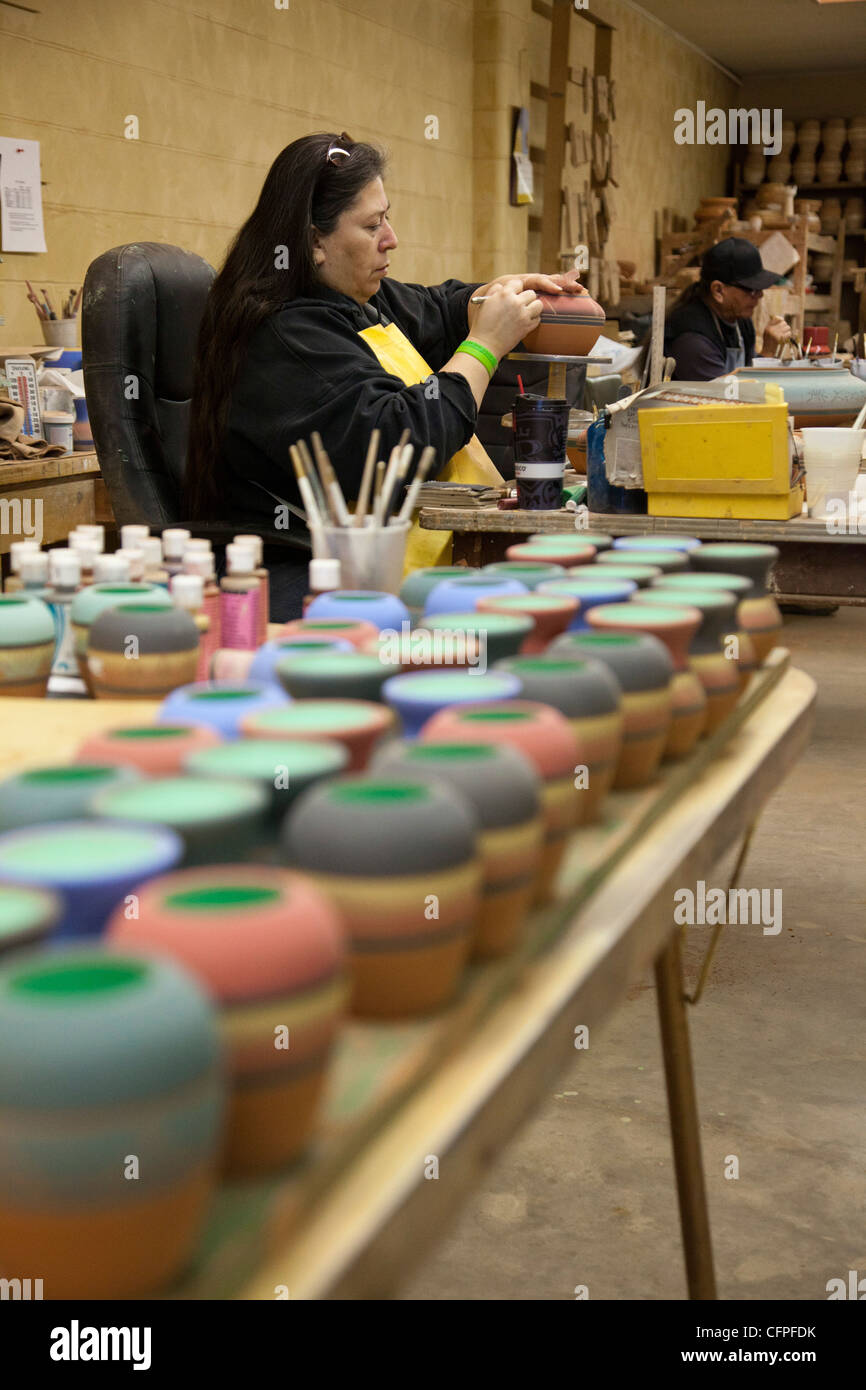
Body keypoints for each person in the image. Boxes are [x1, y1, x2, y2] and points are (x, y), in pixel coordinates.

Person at [186, 131, 583, 618]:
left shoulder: (356, 298)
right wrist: (484, 346)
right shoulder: (285, 333)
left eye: (387, 217)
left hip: (377, 554)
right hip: (306, 567)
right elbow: (401, 437)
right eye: (373, 225)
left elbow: (437, 308)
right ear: (314, 243)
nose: (391, 238)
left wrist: (495, 294)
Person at [664, 238, 793, 382]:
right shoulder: (692, 340)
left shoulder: (740, 320)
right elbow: (722, 396)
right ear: (718, 290)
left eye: (760, 289)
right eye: (751, 290)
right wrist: (767, 354)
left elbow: (748, 367)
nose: (760, 296)